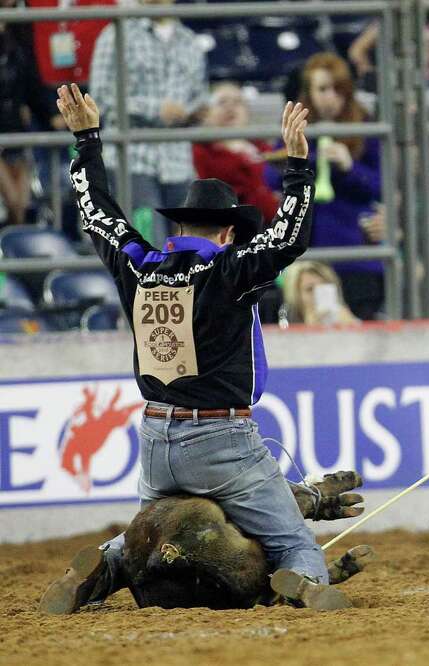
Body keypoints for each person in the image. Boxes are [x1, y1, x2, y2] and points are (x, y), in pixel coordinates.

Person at [42, 84, 351, 611]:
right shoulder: (230, 269)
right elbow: (289, 239)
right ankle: (299, 581)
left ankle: (107, 563)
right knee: (293, 542)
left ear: (178, 226)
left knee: (152, 530)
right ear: (229, 232)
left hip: (155, 436)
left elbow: (98, 216)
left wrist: (86, 143)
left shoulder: (140, 265)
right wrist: (298, 168)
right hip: (221, 437)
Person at [89, 0, 207, 244]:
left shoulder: (189, 40)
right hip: (133, 157)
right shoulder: (116, 34)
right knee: (148, 242)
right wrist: (155, 109)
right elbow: (99, 98)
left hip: (178, 159)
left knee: (191, 246)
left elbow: (199, 93)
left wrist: (194, 111)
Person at [276, 52, 383, 320]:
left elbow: (381, 186)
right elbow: (273, 179)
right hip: (309, 259)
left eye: (338, 89)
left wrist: (350, 168)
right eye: (323, 89)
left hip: (357, 257)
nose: (331, 97)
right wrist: (306, 159)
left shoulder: (367, 127)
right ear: (309, 91)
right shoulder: (294, 125)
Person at [0, 0, 63, 226]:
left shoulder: (21, 27)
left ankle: (15, 253)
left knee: (21, 205)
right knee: (15, 201)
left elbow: (32, 80)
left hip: (17, 127)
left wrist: (50, 114)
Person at [191, 83, 281, 223]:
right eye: (222, 102)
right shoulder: (201, 151)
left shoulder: (264, 148)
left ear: (247, 112)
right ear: (207, 114)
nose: (230, 108)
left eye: (237, 102)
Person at [280, 260, 360, 327]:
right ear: (296, 295)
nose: (318, 294)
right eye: (310, 289)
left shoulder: (346, 317)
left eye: (323, 286)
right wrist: (309, 329)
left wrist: (352, 326)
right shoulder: (287, 324)